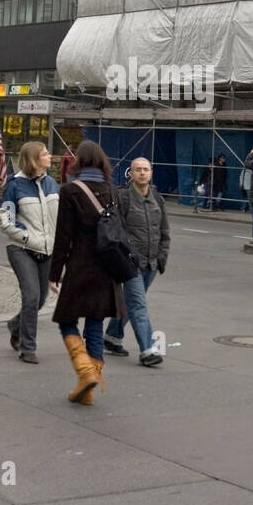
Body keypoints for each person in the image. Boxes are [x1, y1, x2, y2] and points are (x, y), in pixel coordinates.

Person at [49, 140, 121, 405]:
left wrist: (54, 272)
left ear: (78, 161)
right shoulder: (114, 190)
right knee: (94, 322)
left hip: (80, 267)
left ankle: (85, 372)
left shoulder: (70, 191)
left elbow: (63, 236)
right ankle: (88, 386)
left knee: (66, 319)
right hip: (108, 269)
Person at [104, 157, 169, 367]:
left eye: (146, 169)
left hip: (151, 263)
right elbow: (115, 230)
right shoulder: (123, 198)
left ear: (151, 173)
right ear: (130, 174)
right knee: (138, 304)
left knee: (129, 302)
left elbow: (165, 231)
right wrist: (122, 258)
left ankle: (112, 337)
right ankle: (148, 350)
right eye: (138, 170)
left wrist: (161, 258)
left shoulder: (157, 198)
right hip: (130, 263)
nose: (142, 173)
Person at [0, 141, 60, 363]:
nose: (50, 156)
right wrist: (25, 236)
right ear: (34, 159)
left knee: (41, 299)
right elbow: (5, 219)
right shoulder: (14, 185)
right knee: (31, 295)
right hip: (21, 248)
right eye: (45, 154)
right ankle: (28, 348)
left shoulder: (53, 184)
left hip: (47, 250)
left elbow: (59, 218)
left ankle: (15, 326)